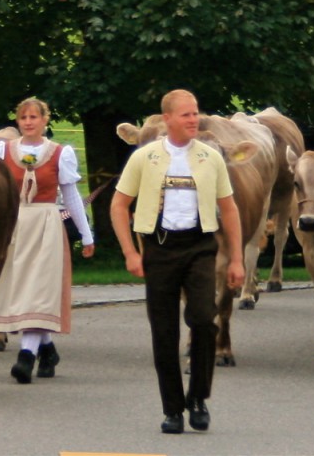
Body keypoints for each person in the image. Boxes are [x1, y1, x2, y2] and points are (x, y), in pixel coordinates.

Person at [110, 89, 244, 435]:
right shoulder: (145, 157)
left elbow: (228, 208)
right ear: (167, 119)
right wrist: (130, 251)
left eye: (195, 113)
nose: (193, 119)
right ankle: (172, 409)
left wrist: (237, 260)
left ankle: (198, 398)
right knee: (164, 331)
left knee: (203, 319)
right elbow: (119, 204)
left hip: (200, 245)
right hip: (159, 248)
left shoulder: (209, 157)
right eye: (185, 114)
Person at [0, 98, 95, 384]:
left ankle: (26, 357)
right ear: (18, 121)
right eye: (23, 117)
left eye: (34, 117)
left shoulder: (60, 153)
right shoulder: (4, 151)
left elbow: (70, 195)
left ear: (45, 120)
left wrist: (85, 233)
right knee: (22, 289)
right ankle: (46, 349)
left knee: (39, 289)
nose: (29, 122)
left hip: (47, 223)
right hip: (15, 223)